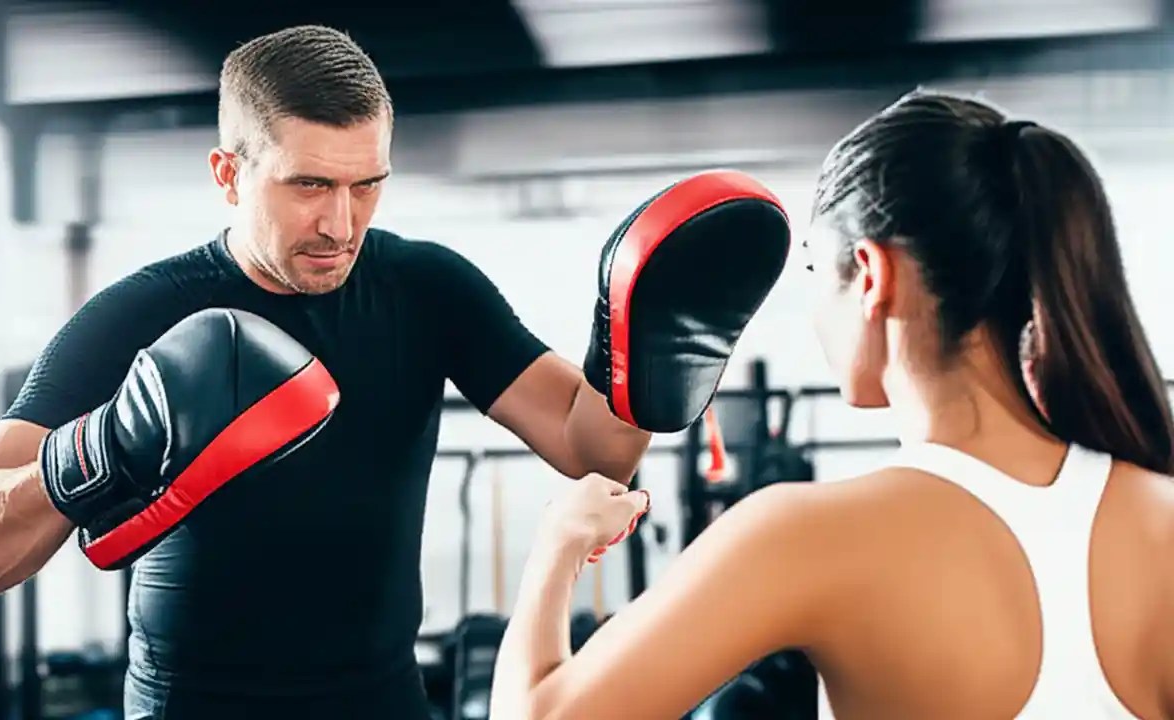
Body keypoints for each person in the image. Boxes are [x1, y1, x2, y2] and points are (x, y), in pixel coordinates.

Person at [0, 24, 784, 720]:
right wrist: (103, 447)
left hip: (381, 700)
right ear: (227, 174)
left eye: (367, 185)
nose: (341, 222)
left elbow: (592, 444)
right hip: (192, 708)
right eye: (308, 186)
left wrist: (653, 347)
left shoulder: (427, 287)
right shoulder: (141, 313)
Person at [490, 90, 1174, 720]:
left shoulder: (806, 533)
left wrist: (559, 541)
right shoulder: (1161, 516)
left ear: (871, 276)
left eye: (814, 268)